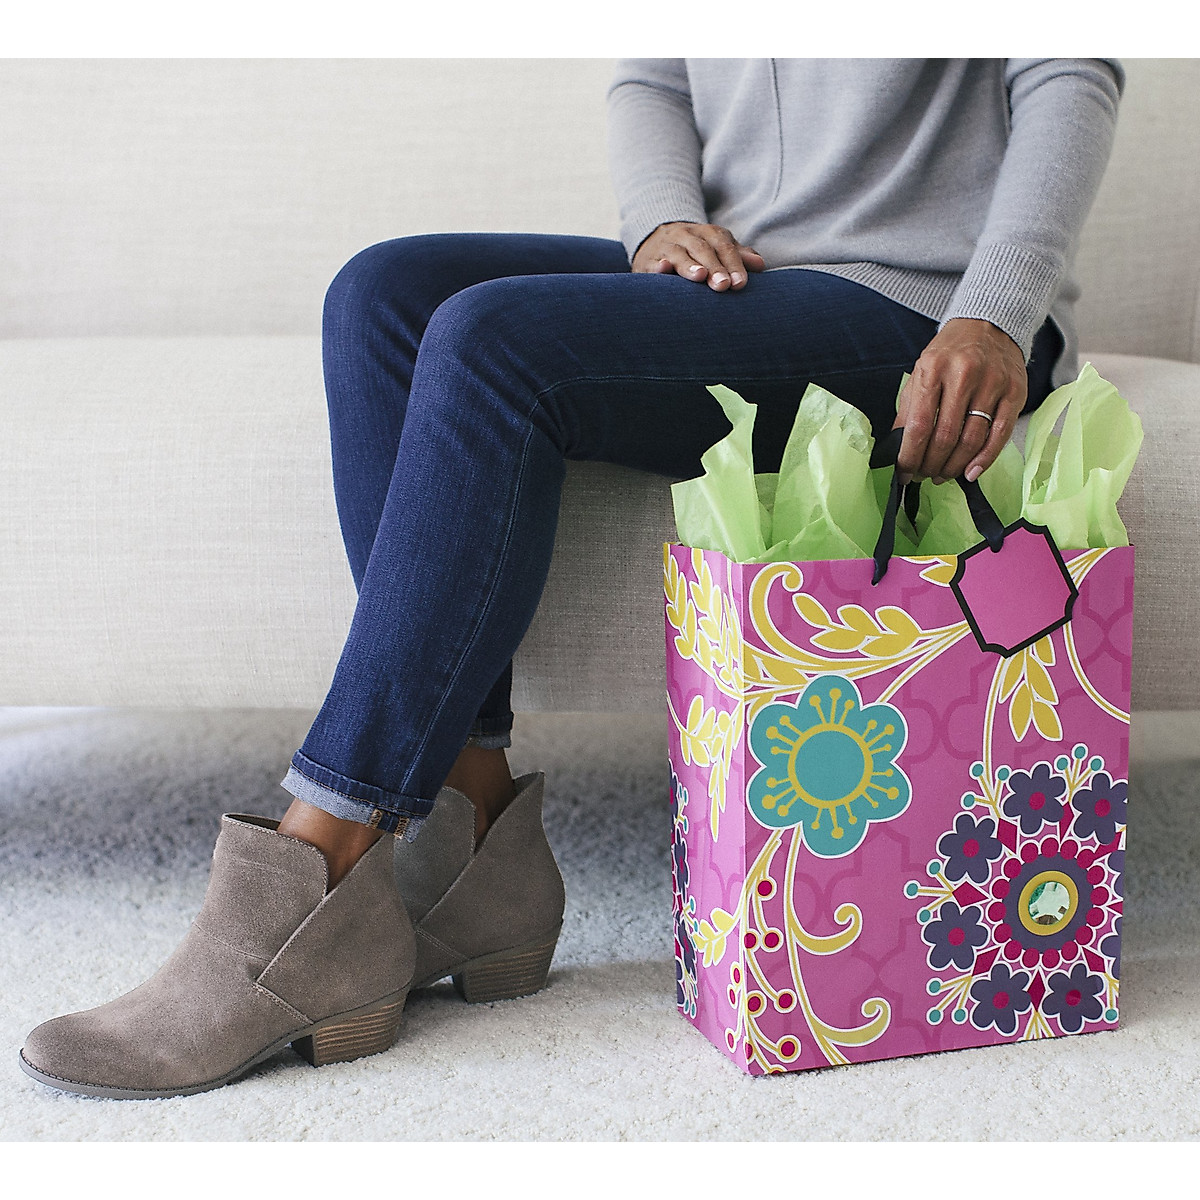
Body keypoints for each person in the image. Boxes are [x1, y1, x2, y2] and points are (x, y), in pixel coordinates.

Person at [19, 57, 1123, 1099]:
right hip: (749, 272)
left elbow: (1066, 69)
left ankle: (312, 876)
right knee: (385, 294)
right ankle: (474, 838)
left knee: (496, 338)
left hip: (921, 301)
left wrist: (998, 308)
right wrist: (657, 224)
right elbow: (653, 70)